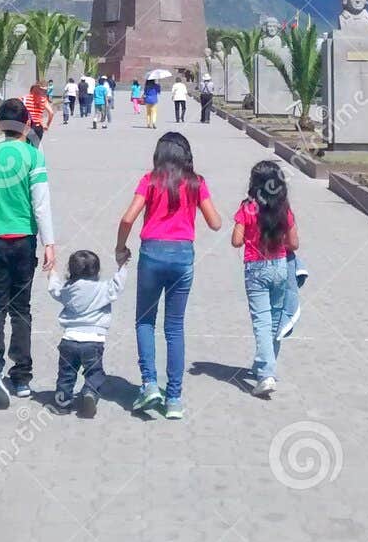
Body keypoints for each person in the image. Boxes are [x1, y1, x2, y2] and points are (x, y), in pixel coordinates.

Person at [116, 131, 223, 420]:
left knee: (145, 321)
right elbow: (216, 223)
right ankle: (174, 398)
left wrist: (120, 248)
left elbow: (128, 217)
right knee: (174, 327)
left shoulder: (149, 180)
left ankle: (149, 384)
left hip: (151, 254)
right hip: (182, 258)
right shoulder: (196, 182)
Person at [0, 98, 57, 404]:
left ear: (0, 126)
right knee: (20, 308)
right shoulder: (33, 155)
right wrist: (49, 243)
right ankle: (22, 376)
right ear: (26, 124)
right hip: (22, 241)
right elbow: (40, 203)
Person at [232, 161, 301, 398]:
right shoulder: (284, 209)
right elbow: (294, 243)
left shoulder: (248, 208)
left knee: (261, 321)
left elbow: (236, 241)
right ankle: (265, 366)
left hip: (255, 268)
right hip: (280, 266)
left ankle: (266, 373)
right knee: (273, 319)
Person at [45, 246, 130, 418]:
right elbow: (118, 285)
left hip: (69, 340)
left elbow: (54, 289)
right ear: (97, 270)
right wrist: (122, 266)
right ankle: (90, 392)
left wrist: (52, 271)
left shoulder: (68, 290)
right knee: (95, 372)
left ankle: (63, 404)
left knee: (66, 375)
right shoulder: (103, 289)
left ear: (71, 271)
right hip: (93, 341)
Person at [25, 79, 55, 145]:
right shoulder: (43, 100)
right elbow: (51, 113)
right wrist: (47, 125)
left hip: (27, 127)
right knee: (35, 148)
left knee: (26, 147)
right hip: (38, 127)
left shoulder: (24, 99)